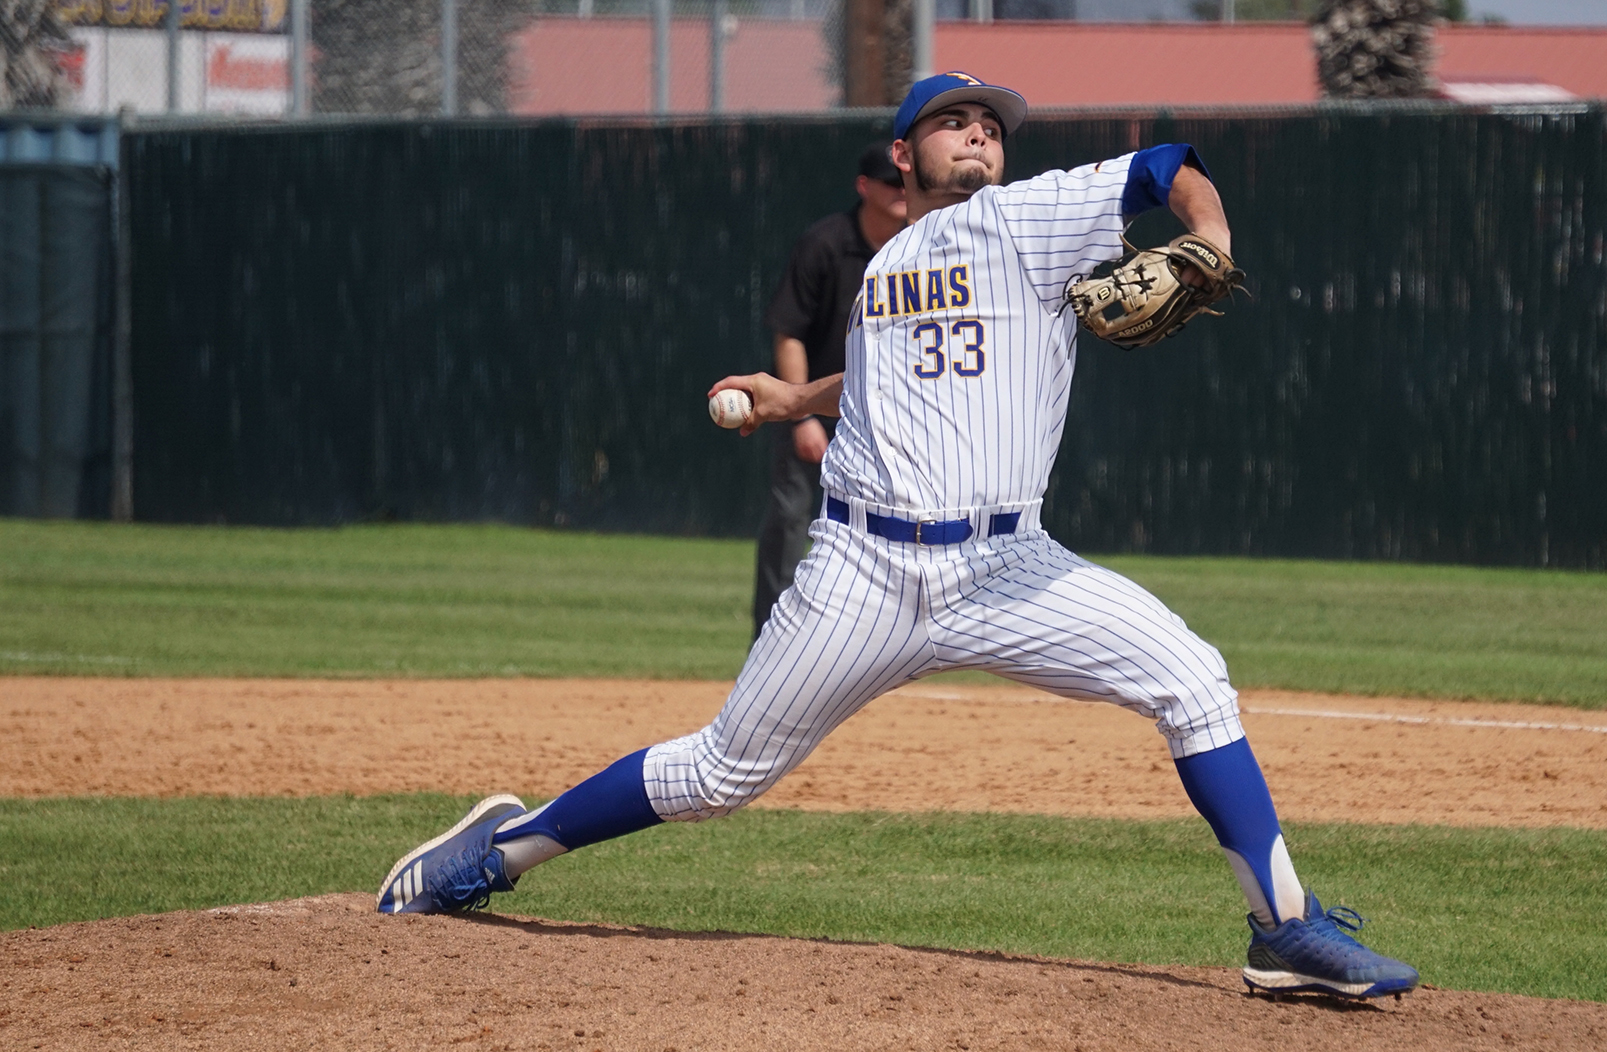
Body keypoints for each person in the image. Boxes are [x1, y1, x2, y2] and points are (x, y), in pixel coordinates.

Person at [376, 72, 1419, 1001]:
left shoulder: (1029, 218)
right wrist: (796, 399)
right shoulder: (884, 270)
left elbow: (1170, 166)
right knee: (717, 776)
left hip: (1009, 568)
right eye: (952, 122)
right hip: (864, 571)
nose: (978, 135)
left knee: (1191, 678)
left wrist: (1211, 238)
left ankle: (1284, 929)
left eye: (991, 126)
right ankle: (493, 857)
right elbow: (887, 371)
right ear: (902, 154)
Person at [755, 144, 908, 638]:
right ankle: (770, 638)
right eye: (889, 182)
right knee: (790, 518)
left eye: (905, 180)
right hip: (816, 409)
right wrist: (801, 415)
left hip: (890, 419)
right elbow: (789, 332)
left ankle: (869, 644)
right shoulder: (824, 245)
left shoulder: (919, 250)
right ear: (863, 186)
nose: (901, 190)